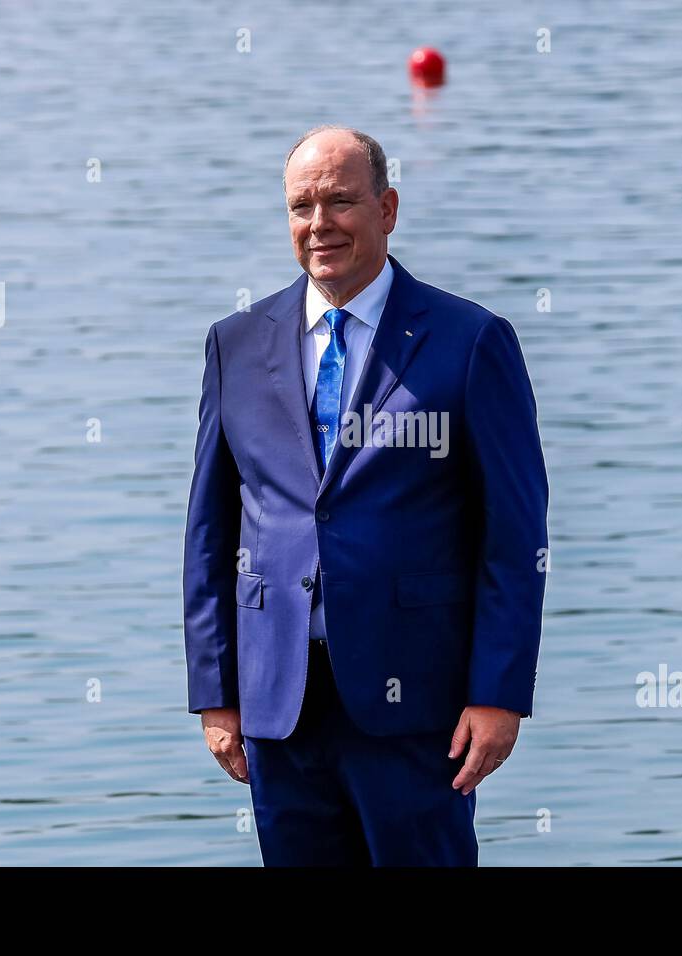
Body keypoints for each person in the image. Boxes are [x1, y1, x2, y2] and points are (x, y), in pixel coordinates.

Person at [183, 126, 549, 866]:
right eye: (301, 207)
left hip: (418, 703)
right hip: (277, 701)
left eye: (342, 202)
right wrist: (214, 690)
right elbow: (209, 532)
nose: (320, 224)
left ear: (388, 208)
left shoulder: (470, 340)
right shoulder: (236, 343)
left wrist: (500, 693)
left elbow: (515, 536)